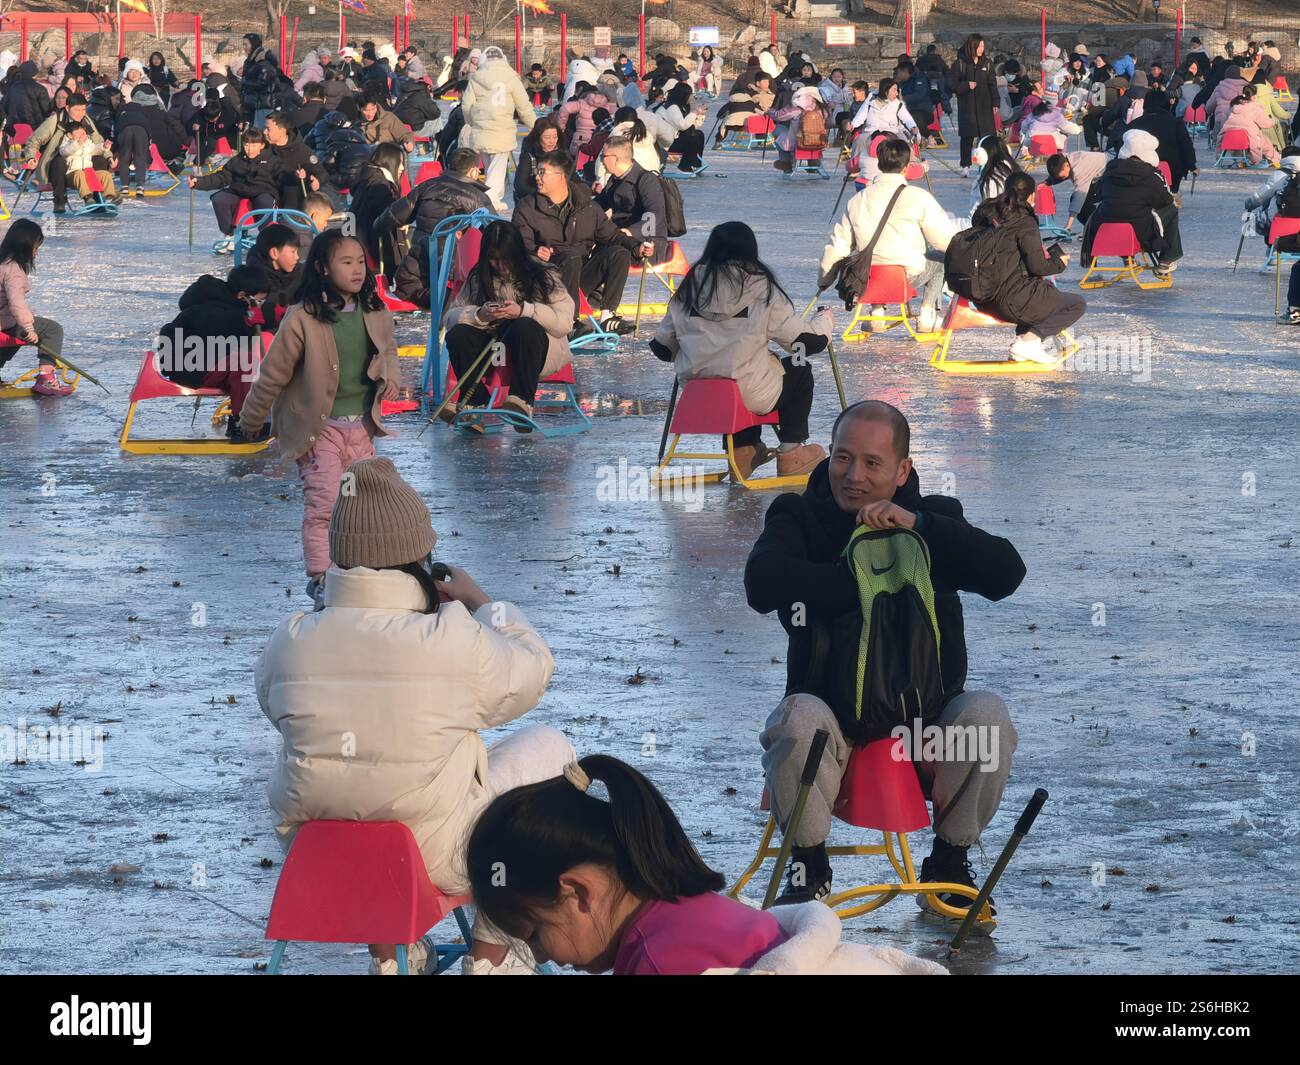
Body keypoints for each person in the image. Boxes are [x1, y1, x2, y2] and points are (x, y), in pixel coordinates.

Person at [257, 454, 571, 975]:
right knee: (549, 748)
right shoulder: (449, 637)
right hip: (435, 857)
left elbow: (277, 708)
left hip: (322, 859)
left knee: (352, 781)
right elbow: (533, 673)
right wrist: (480, 602)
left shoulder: (289, 641)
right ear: (420, 555)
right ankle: (490, 960)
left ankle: (389, 956)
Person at [745, 400, 1025, 908]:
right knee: (794, 718)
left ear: (902, 470)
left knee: (988, 717)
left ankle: (949, 862)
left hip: (924, 725)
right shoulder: (798, 517)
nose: (853, 476)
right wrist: (864, 574)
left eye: (872, 464)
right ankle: (808, 865)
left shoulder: (935, 521)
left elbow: (1008, 574)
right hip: (833, 724)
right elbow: (761, 585)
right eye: (842, 458)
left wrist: (917, 529)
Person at [465, 753, 946, 974]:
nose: (543, 957)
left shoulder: (658, 962)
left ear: (579, 893)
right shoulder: (689, 909)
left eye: (533, 933)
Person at [239, 231, 400, 594]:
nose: (357, 270)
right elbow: (273, 374)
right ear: (322, 269)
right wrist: (251, 420)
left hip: (360, 428)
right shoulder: (303, 319)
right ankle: (322, 577)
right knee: (325, 503)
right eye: (346, 263)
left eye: (361, 262)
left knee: (361, 505)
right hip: (318, 429)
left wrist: (390, 376)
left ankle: (357, 570)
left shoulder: (374, 311)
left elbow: (388, 348)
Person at [651, 221, 829, 481]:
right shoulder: (761, 289)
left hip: (697, 397)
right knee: (798, 369)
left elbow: (662, 349)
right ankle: (791, 453)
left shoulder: (689, 288)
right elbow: (802, 343)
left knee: (735, 374)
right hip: (750, 393)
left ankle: (743, 451)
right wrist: (824, 323)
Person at [439, 219, 575, 429]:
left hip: (536, 349)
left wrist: (524, 311)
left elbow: (565, 321)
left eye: (506, 259)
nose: (501, 266)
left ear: (517, 253)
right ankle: (474, 401)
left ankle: (521, 402)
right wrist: (480, 314)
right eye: (494, 260)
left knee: (524, 326)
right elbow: (449, 317)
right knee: (457, 335)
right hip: (494, 348)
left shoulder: (542, 274)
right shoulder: (479, 277)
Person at [821, 138, 956, 336]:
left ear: (879, 164)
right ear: (906, 167)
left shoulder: (858, 199)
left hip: (867, 277)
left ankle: (877, 312)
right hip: (906, 276)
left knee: (874, 253)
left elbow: (838, 245)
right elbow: (943, 240)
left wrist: (824, 278)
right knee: (942, 261)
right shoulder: (918, 197)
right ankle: (927, 314)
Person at [511, 150, 648, 336]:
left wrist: (636, 247)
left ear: (562, 176)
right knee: (571, 256)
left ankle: (608, 316)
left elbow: (613, 236)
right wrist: (535, 251)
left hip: (578, 279)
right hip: (543, 280)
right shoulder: (527, 208)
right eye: (537, 172)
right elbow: (516, 245)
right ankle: (570, 321)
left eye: (543, 172)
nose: (537, 177)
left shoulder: (588, 207)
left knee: (618, 252)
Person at [956, 171, 1086, 362]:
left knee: (1035, 292)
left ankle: (1024, 340)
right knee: (1076, 304)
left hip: (981, 296)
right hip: (1008, 300)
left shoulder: (984, 214)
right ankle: (1028, 342)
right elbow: (1038, 266)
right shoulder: (1023, 221)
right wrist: (1060, 262)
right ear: (1031, 196)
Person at [155, 264, 273, 440]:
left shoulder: (226, 303)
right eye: (259, 301)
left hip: (203, 363)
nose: (261, 306)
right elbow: (215, 323)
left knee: (247, 359)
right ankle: (244, 425)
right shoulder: (209, 307)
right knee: (244, 364)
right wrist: (244, 320)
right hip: (189, 367)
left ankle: (245, 417)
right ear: (242, 296)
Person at [1081, 128, 1182, 280]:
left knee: (1119, 210)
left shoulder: (1110, 169)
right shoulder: (1151, 174)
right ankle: (1167, 259)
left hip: (1105, 228)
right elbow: (1165, 200)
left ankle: (1127, 258)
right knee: (1172, 208)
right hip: (1140, 232)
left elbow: (1099, 193)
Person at [0, 219, 74, 396]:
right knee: (51, 329)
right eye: (35, 248)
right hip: (4, 322)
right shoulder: (13, 271)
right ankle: (46, 378)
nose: (36, 254)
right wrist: (28, 327)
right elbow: (16, 303)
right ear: (23, 247)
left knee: (20, 329)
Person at [459, 45, 534, 214]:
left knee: (487, 163)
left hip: (482, 129)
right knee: (497, 167)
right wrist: (535, 125)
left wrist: (471, 122)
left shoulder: (476, 77)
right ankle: (492, 198)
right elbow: (523, 106)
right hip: (502, 129)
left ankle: (486, 194)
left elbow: (466, 105)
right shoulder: (511, 77)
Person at [187, 128, 299, 242]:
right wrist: (198, 182)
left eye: (254, 145)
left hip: (263, 192)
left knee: (264, 202)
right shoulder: (237, 160)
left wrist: (297, 176)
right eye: (246, 145)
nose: (249, 149)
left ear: (261, 145)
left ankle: (267, 236)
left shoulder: (272, 161)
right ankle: (231, 234)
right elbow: (221, 177)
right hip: (239, 191)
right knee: (219, 199)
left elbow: (285, 175)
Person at [18, 92, 117, 213]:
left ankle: (97, 198)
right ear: (67, 108)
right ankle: (59, 200)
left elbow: (97, 140)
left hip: (81, 161)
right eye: (77, 110)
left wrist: (108, 157)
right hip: (58, 162)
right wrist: (31, 157)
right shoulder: (56, 120)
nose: (81, 113)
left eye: (83, 110)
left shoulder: (86, 120)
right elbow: (34, 139)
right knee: (59, 162)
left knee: (100, 160)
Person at [594, 136, 670, 265]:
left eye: (603, 156)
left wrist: (631, 231)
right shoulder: (615, 180)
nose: (601, 161)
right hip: (619, 238)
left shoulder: (646, 180)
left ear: (615, 158)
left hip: (646, 243)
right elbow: (598, 205)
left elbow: (655, 215)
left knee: (605, 258)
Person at [113, 85, 186, 194]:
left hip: (129, 135)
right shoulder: (159, 108)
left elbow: (117, 129)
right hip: (160, 148)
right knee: (140, 157)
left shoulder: (125, 110)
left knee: (125, 156)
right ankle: (140, 185)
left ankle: (124, 185)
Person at [350, 142, 407, 277]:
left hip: (359, 238)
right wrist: (402, 219)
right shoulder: (378, 183)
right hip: (371, 245)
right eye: (400, 163)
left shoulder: (369, 176)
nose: (402, 168)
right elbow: (389, 211)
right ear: (390, 162)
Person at [1126, 90, 1198, 197]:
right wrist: (1192, 166)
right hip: (1172, 169)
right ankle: (1172, 193)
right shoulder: (1176, 123)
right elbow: (1186, 145)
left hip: (1140, 170)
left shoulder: (1135, 124)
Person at [264, 110, 329, 211]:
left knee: (291, 188)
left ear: (282, 131)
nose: (264, 132)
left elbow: (321, 173)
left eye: (268, 129)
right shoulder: (263, 148)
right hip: (266, 195)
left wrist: (317, 181)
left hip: (293, 201)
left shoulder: (303, 151)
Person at [952, 35, 997, 174]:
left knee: (987, 136)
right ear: (972, 46)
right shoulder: (960, 63)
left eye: (983, 46)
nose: (981, 49)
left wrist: (996, 102)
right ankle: (965, 165)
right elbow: (952, 84)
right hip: (968, 106)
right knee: (967, 137)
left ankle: (989, 164)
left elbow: (992, 85)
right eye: (979, 46)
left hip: (985, 105)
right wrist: (966, 85)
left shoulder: (987, 63)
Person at [246, 222, 303, 332]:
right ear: (274, 253)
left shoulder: (299, 271)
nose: (297, 257)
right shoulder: (255, 281)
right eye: (293, 252)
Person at [1044, 149, 1107, 231]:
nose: (1063, 178)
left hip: (1109, 175)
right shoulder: (1065, 159)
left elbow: (1079, 196)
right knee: (1080, 203)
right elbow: (1059, 174)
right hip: (1097, 177)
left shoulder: (1079, 170)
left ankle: (1098, 230)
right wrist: (1045, 183)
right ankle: (1093, 228)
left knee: (1082, 205)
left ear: (1066, 165)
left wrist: (1069, 225)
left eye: (1063, 177)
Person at [653, 81, 707, 173]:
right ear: (683, 95)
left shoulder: (678, 106)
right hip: (664, 141)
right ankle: (686, 166)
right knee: (692, 138)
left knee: (698, 134)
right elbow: (683, 125)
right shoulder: (672, 107)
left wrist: (700, 115)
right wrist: (695, 113)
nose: (691, 97)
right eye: (690, 95)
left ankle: (695, 163)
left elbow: (691, 126)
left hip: (672, 136)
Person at [1219, 91, 1281, 167]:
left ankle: (1239, 160)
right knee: (1266, 143)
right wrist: (1274, 120)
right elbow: (1266, 124)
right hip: (1249, 139)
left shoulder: (1232, 108)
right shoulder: (1254, 108)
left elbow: (1223, 122)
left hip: (1231, 139)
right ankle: (1275, 159)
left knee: (1243, 142)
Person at [4, 60, 53, 130]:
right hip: (34, 127)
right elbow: (47, 111)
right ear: (34, 73)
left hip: (15, 127)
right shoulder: (40, 89)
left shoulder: (13, 87)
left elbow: (5, 107)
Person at [394, 75, 441, 139]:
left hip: (398, 126)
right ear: (428, 86)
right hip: (413, 130)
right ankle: (439, 143)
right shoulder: (421, 94)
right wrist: (431, 100)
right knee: (437, 120)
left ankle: (423, 145)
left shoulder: (405, 91)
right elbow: (435, 113)